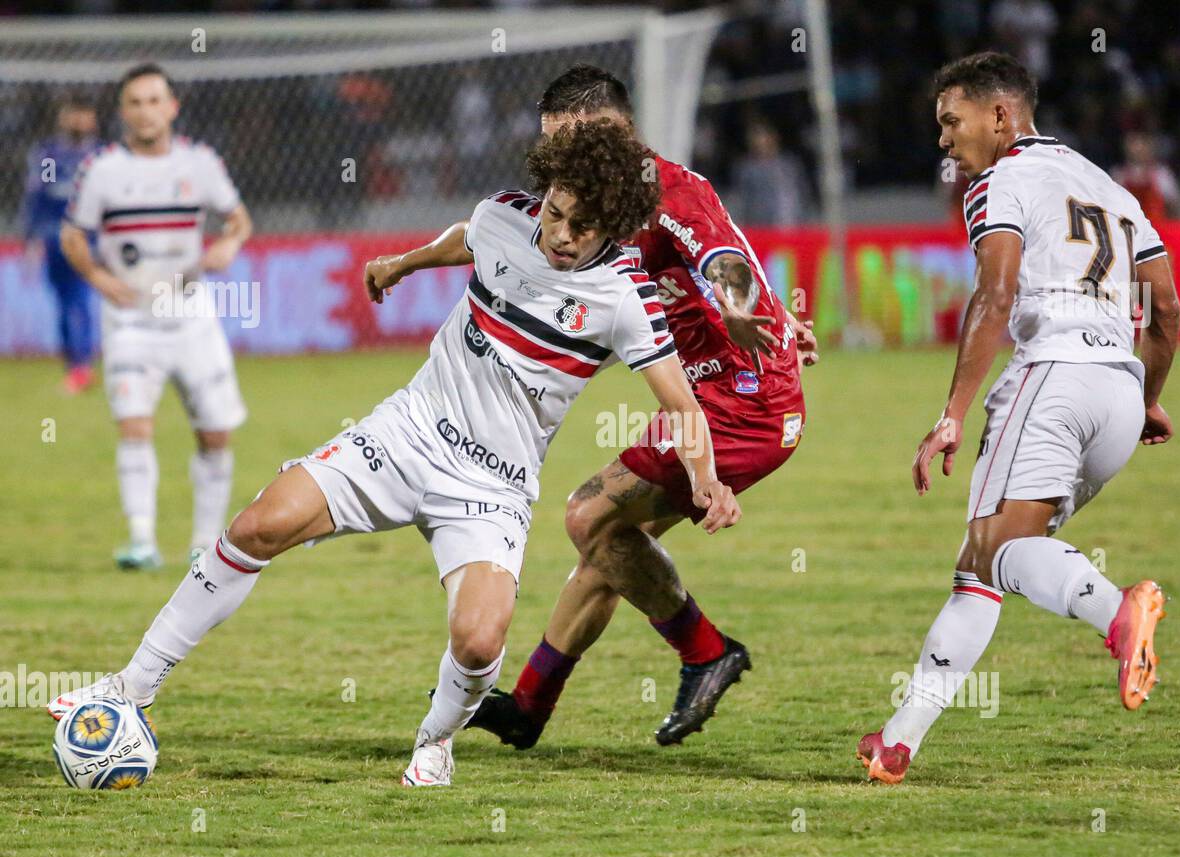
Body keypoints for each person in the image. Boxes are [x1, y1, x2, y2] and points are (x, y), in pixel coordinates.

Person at [49, 120, 741, 789]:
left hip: (492, 487)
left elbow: (682, 407)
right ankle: (130, 686)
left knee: (477, 641)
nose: (559, 234)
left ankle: (435, 744)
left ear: (613, 223)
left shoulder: (625, 296)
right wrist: (404, 262)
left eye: (579, 226)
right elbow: (467, 240)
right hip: (406, 434)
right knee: (260, 523)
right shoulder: (506, 216)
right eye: (555, 213)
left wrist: (706, 478)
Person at [456, 65, 817, 747]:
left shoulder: (667, 191)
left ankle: (707, 651)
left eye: (562, 142)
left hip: (743, 402)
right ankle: (529, 706)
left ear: (607, 131)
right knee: (611, 546)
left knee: (590, 517)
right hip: (706, 391)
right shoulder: (597, 199)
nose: (552, 161)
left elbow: (724, 263)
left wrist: (748, 310)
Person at [859, 52, 1180, 784]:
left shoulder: (998, 180)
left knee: (998, 552)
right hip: (1117, 398)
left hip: (1053, 381)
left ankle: (1115, 611)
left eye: (951, 120)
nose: (944, 140)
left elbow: (996, 294)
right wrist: (1150, 396)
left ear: (1000, 117)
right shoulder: (1111, 188)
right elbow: (1166, 308)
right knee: (981, 564)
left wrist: (951, 414)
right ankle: (901, 738)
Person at [60, 63, 254, 570]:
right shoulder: (100, 169)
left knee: (214, 433)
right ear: (122, 112)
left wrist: (229, 243)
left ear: (172, 108)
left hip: (190, 312)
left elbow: (238, 218)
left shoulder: (200, 162)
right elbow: (72, 236)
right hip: (130, 319)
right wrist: (101, 281)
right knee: (134, 425)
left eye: (154, 101)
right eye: (135, 102)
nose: (146, 111)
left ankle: (206, 544)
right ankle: (142, 541)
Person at [21, 97, 101, 393]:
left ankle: (82, 366)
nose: (79, 122)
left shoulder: (101, 155)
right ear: (63, 118)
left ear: (92, 119)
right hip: (55, 238)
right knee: (65, 302)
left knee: (79, 299)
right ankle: (75, 365)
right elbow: (40, 198)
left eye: (84, 116)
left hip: (89, 238)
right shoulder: (51, 156)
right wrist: (31, 239)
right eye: (73, 116)